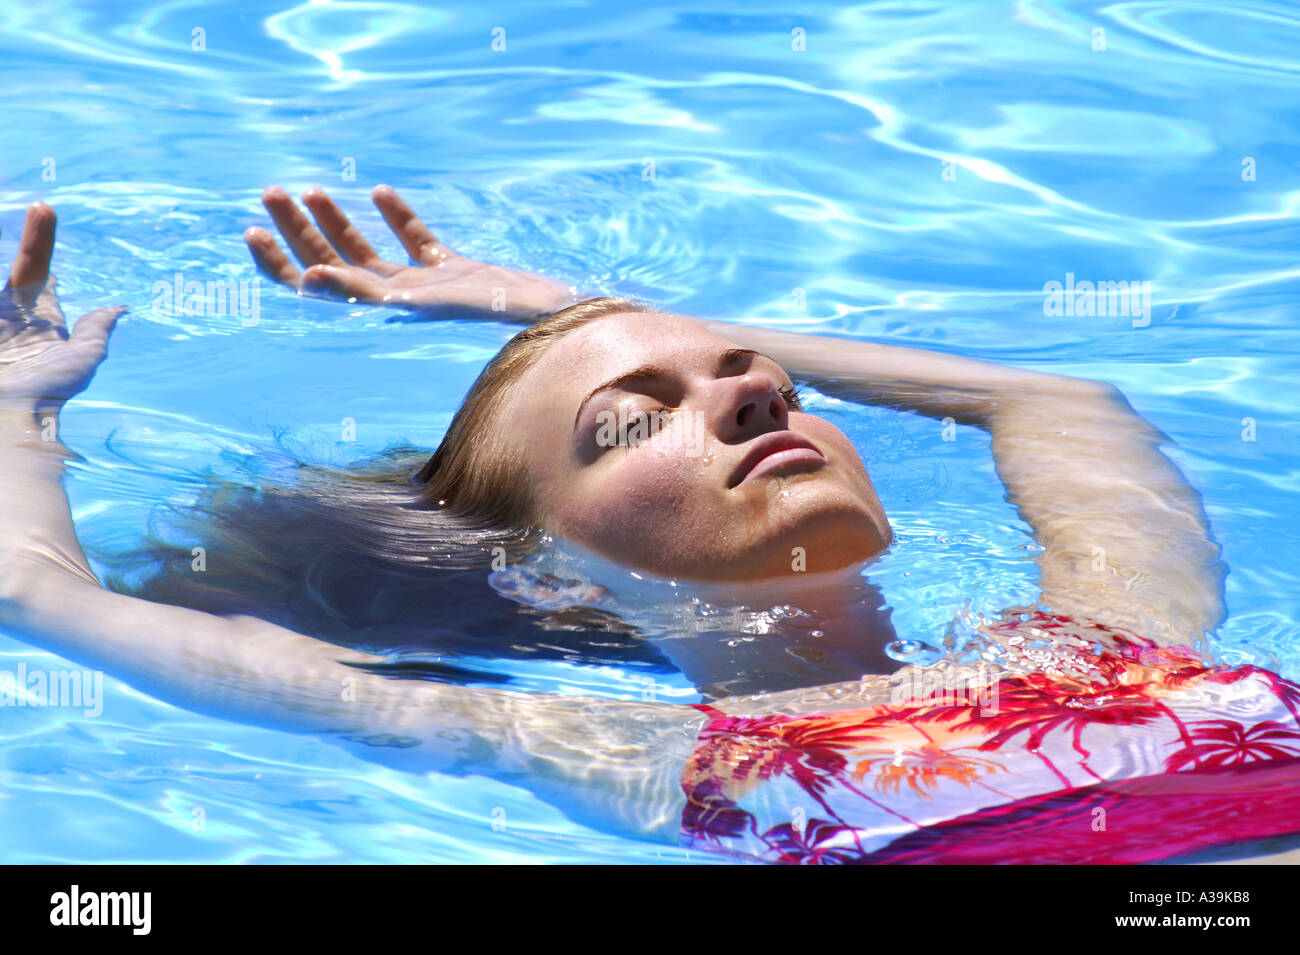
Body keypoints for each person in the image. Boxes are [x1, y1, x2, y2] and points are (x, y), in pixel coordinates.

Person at [1, 191, 1297, 864]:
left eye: (760, 387)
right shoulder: (638, 752)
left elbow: (1045, 396)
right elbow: (42, 596)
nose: (743, 396)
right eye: (631, 425)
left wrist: (566, 309)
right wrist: (19, 414)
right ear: (553, 573)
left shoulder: (1115, 634)